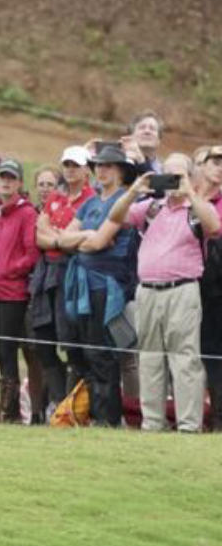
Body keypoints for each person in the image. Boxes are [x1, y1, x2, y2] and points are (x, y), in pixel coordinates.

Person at [106, 155, 219, 431]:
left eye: (177, 175)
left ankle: (189, 425)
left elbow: (214, 227)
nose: (171, 181)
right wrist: (135, 189)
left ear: (191, 177)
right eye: (166, 175)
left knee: (184, 359)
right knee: (150, 357)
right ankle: (152, 423)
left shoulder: (195, 209)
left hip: (182, 289)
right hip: (147, 290)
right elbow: (115, 216)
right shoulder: (152, 208)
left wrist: (189, 192)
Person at [55, 144, 140, 427]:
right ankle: (89, 414)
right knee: (81, 353)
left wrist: (85, 239)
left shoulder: (122, 201)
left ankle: (108, 418)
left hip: (107, 286)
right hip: (82, 284)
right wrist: (87, 235)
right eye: (98, 165)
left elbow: (98, 243)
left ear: (120, 171)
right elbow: (62, 240)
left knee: (102, 354)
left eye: (108, 166)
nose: (101, 170)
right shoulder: (91, 203)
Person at [0, 159, 39, 422]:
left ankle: (9, 411)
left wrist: (7, 271)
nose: (6, 182)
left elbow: (31, 253)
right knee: (0, 351)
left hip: (12, 292)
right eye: (2, 177)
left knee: (9, 350)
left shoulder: (26, 213)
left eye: (11, 178)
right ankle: (7, 408)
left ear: (19, 183)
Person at [33, 146, 96, 414]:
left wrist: (57, 239)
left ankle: (75, 409)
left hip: (73, 272)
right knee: (43, 341)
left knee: (71, 342)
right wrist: (62, 239)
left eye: (75, 165)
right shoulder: (55, 198)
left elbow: (80, 241)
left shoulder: (91, 199)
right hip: (46, 273)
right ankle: (59, 404)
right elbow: (39, 236)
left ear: (85, 169)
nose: (70, 169)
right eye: (66, 164)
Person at [196, 145, 222, 431]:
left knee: (215, 354)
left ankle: (218, 420)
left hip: (217, 285)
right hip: (192, 283)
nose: (219, 167)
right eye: (214, 161)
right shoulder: (185, 198)